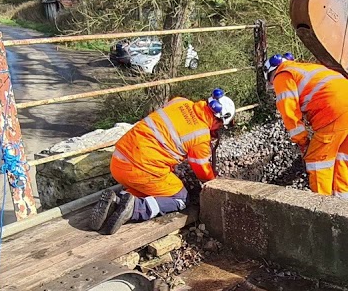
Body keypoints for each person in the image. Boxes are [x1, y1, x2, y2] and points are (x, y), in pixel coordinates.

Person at [85, 88, 236, 235]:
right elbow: (203, 173)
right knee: (180, 198)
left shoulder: (180, 102)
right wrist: (215, 183)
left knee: (152, 187)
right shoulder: (201, 137)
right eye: (221, 126)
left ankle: (117, 201)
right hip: (141, 170)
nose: (218, 129)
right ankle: (135, 209)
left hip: (118, 161)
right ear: (219, 120)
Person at [265, 53, 348, 198]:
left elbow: (290, 114)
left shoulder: (282, 75)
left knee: (317, 160)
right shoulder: (305, 68)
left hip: (335, 110)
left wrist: (302, 141)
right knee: (343, 155)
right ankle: (343, 202)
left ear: (271, 72)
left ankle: (323, 208)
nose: (273, 85)